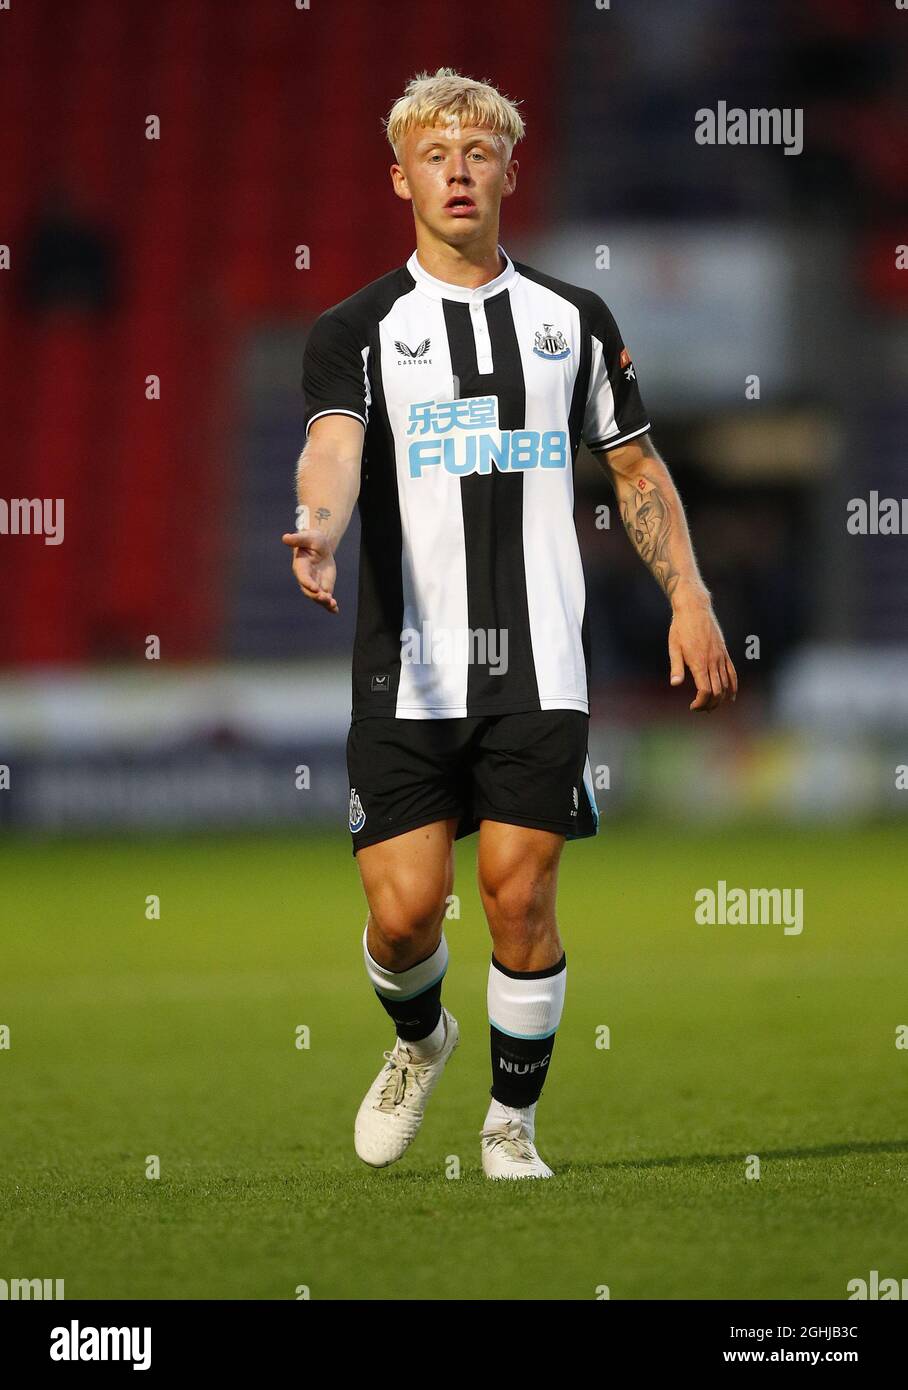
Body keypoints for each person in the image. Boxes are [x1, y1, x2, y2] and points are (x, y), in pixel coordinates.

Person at [282, 68, 736, 1180]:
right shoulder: (357, 328)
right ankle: (417, 1036)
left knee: (518, 895)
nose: (455, 172)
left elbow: (633, 465)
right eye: (434, 156)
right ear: (400, 179)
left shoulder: (570, 322)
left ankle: (509, 1125)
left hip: (540, 665)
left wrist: (690, 591)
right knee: (402, 920)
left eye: (476, 154)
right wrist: (318, 526)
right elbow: (333, 447)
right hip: (405, 671)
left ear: (506, 172)